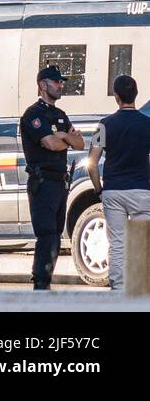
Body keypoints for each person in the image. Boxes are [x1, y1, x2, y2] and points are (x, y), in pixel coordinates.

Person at [20, 65, 85, 290]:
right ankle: (41, 282)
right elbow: (49, 143)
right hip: (43, 181)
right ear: (43, 85)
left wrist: (63, 136)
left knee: (56, 235)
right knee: (47, 233)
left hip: (59, 182)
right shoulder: (33, 114)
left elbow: (80, 142)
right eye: (56, 82)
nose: (60, 85)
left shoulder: (60, 115)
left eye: (60, 82)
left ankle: (45, 279)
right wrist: (63, 139)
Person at [86, 74, 150, 291]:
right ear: (136, 95)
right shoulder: (148, 123)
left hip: (113, 191)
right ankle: (140, 288)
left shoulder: (103, 125)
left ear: (116, 96)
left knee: (118, 244)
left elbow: (92, 163)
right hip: (143, 190)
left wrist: (98, 190)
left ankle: (119, 289)